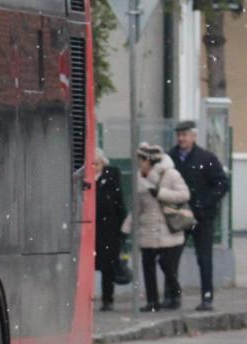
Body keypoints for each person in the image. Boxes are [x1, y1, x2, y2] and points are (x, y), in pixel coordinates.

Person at [170, 119, 230, 311]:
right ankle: (173, 295)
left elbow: (222, 183)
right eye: (179, 135)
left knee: (204, 258)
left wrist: (206, 203)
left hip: (201, 217)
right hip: (179, 216)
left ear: (194, 136)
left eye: (185, 135)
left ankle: (207, 297)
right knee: (170, 257)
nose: (181, 139)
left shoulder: (206, 158)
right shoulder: (171, 158)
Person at [134, 141, 191, 312]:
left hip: (168, 228)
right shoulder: (139, 177)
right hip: (148, 228)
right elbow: (137, 206)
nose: (139, 163)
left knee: (167, 265)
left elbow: (184, 195)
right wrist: (126, 228)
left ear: (149, 160)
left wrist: (161, 193)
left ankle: (175, 293)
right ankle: (152, 302)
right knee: (148, 266)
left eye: (141, 160)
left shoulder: (171, 174)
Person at [93, 149, 130, 310]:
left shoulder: (111, 177)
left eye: (97, 163)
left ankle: (108, 299)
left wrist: (122, 230)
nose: (94, 167)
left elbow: (118, 203)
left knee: (108, 266)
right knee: (90, 265)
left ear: (103, 163)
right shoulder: (86, 179)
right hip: (91, 230)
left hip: (108, 229)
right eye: (92, 163)